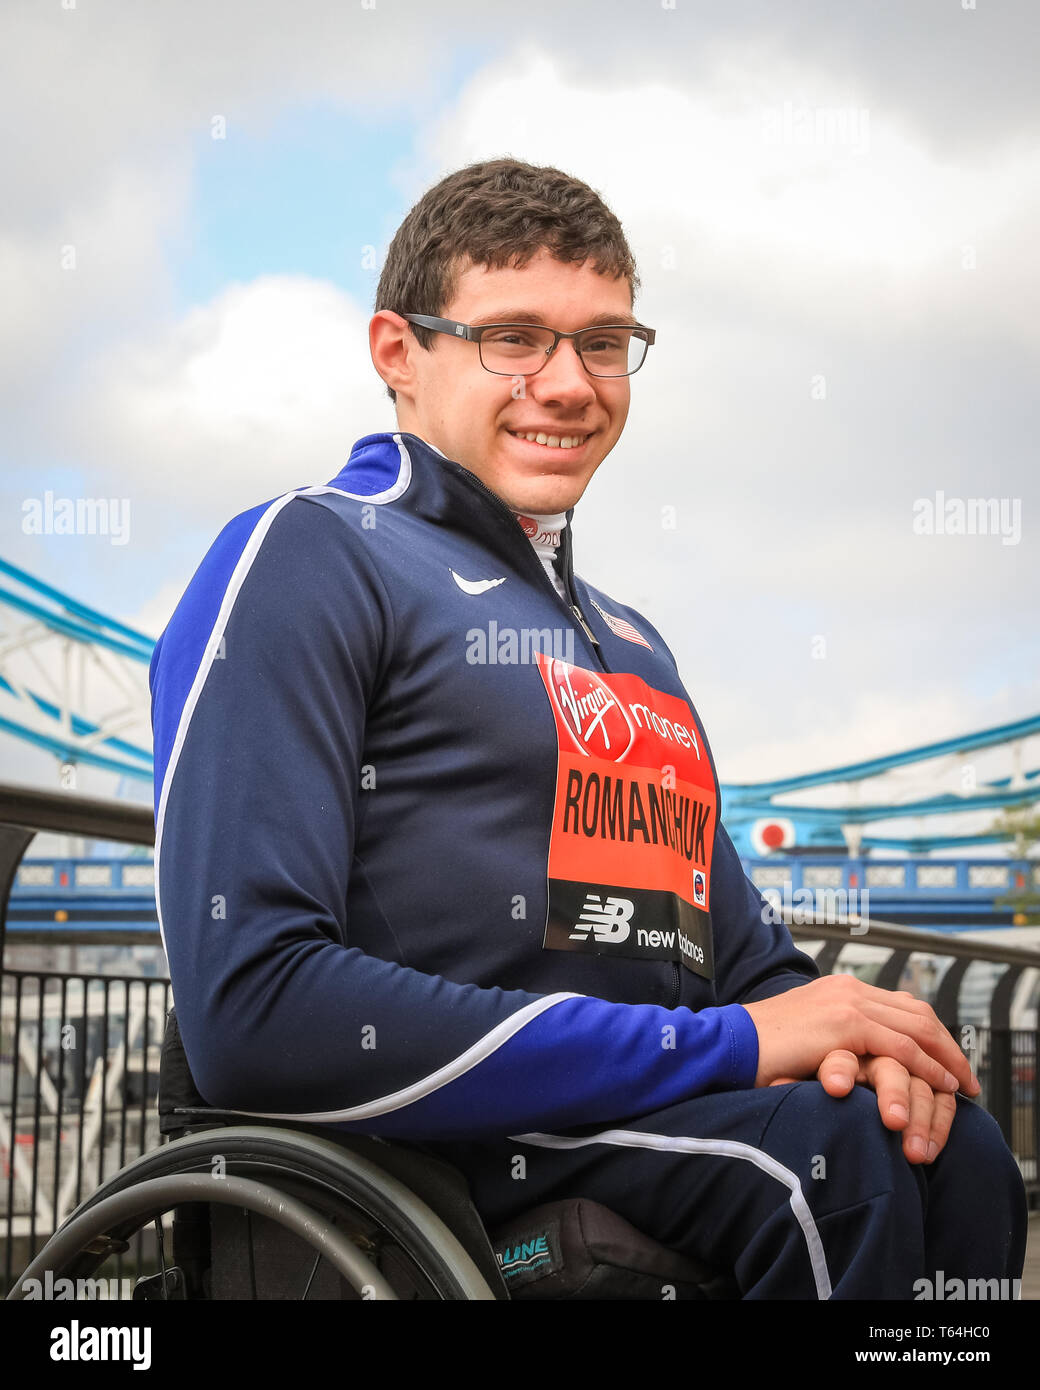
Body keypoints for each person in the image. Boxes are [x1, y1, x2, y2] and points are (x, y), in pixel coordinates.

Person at [149, 157, 1026, 1299]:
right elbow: (253, 1010)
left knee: (951, 1147)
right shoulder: (311, 554)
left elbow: (745, 969)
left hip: (638, 1118)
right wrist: (731, 1048)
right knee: (839, 1167)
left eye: (603, 343)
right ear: (396, 354)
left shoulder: (632, 646)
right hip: (436, 1157)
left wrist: (867, 1042)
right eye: (512, 336)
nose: (566, 383)